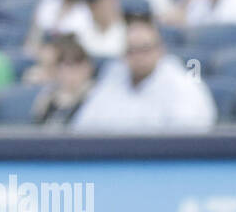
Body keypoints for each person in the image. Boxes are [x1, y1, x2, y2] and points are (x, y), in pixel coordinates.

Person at [71, 14, 217, 133]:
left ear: (161, 50)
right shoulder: (113, 76)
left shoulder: (183, 85)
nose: (138, 57)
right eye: (131, 50)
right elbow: (83, 128)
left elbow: (190, 139)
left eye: (145, 49)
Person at [30, 35, 94, 126]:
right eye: (64, 68)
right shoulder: (48, 95)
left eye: (75, 68)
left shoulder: (95, 95)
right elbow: (37, 124)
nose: (70, 74)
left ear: (88, 68)